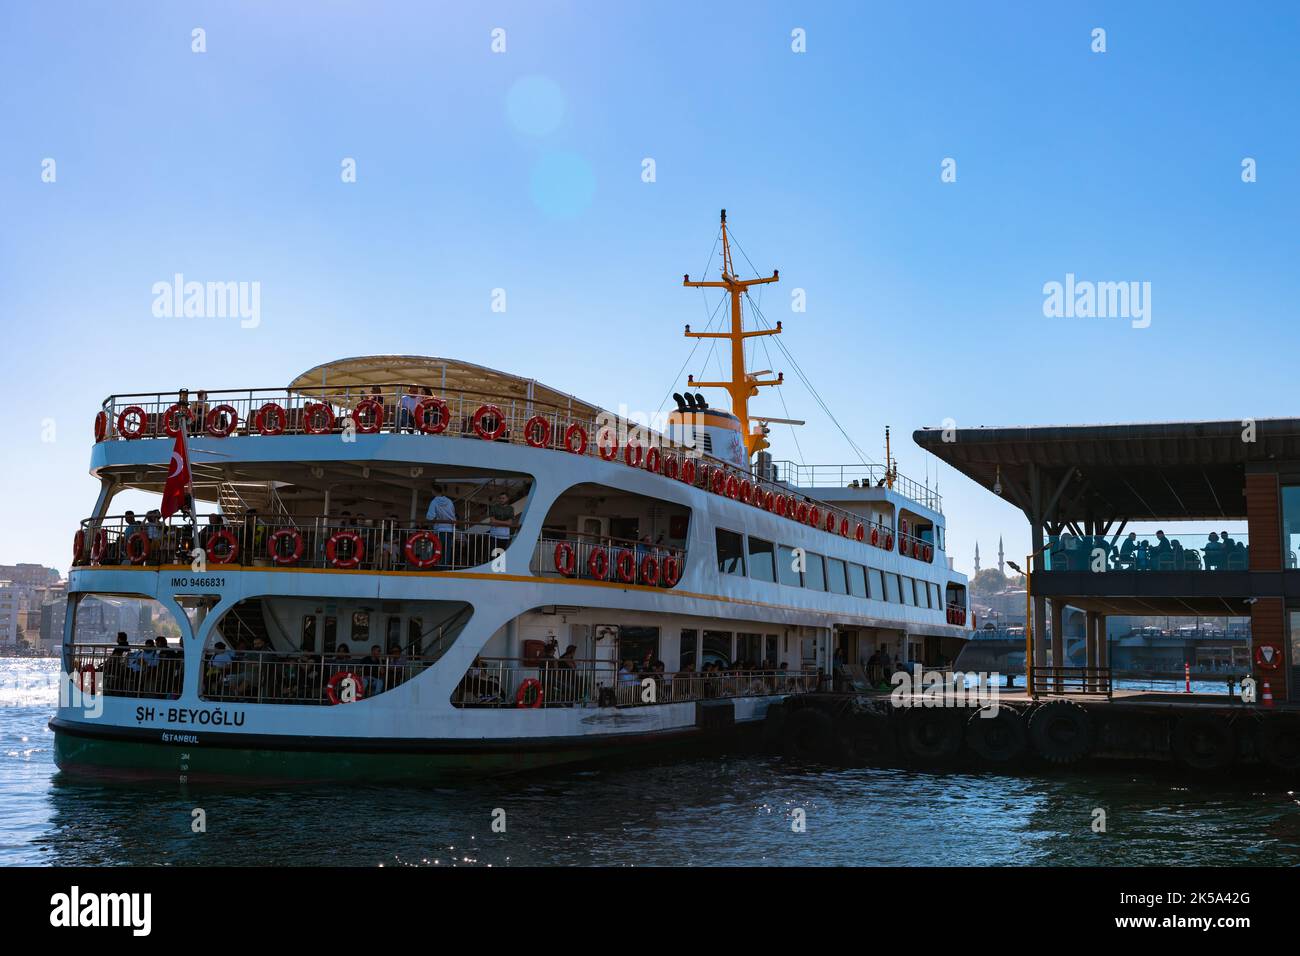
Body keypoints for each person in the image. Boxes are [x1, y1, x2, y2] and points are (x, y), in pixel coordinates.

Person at [426, 485, 456, 560]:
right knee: (447, 550)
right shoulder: (449, 501)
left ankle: (438, 567)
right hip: (449, 529)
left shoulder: (434, 502)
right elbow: (453, 514)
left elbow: (430, 517)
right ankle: (446, 567)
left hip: (439, 529)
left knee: (438, 550)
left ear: (433, 491)